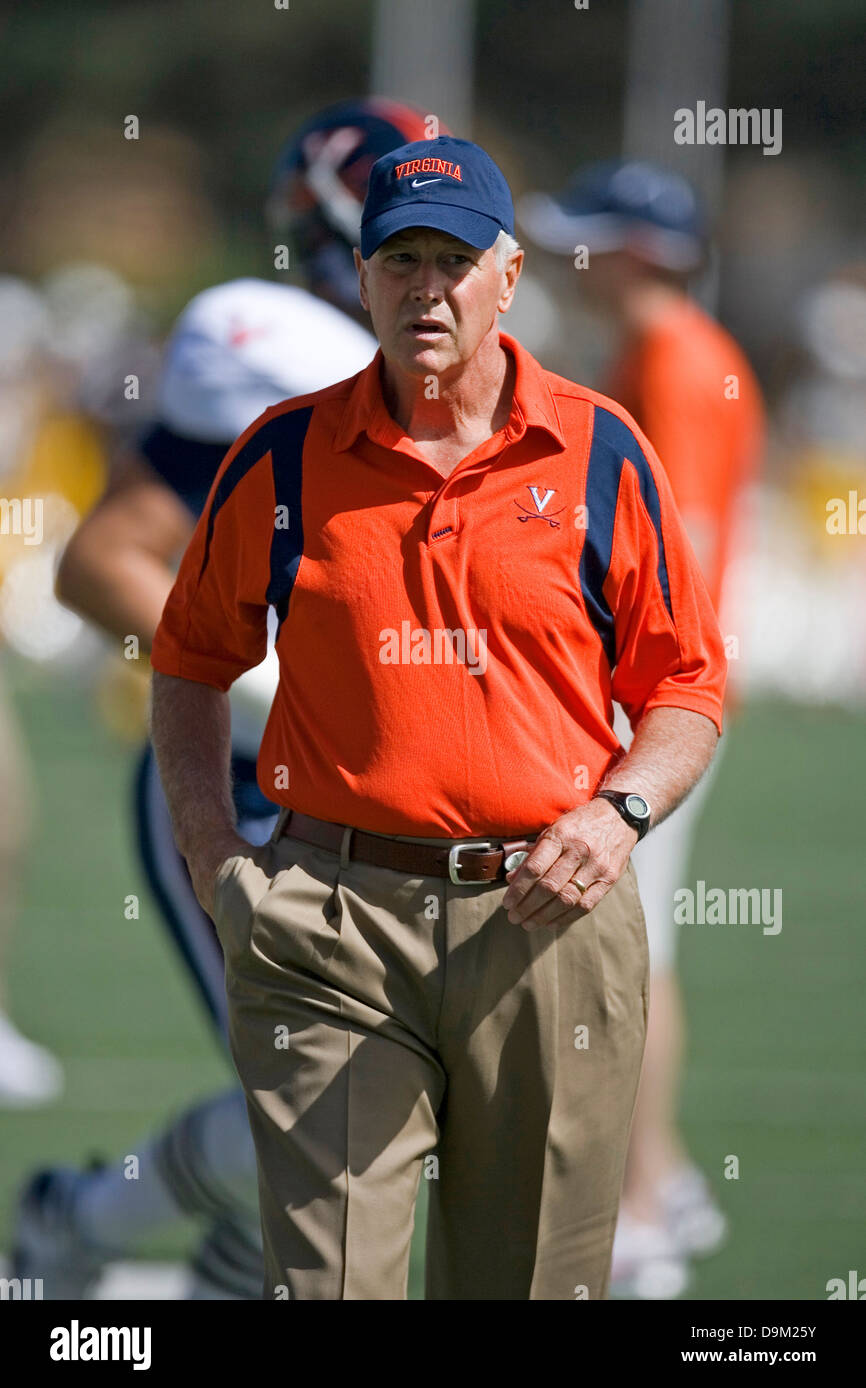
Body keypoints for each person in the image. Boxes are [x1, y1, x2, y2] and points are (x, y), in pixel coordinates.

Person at [148, 134, 727, 1301]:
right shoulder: (282, 454)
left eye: (452, 259)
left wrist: (616, 816)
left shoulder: (602, 447)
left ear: (506, 276)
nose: (425, 287)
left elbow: (685, 686)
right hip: (331, 926)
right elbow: (188, 661)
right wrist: (216, 856)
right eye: (397, 258)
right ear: (358, 278)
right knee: (327, 1288)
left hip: (550, 920)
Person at [12, 99, 431, 1299]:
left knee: (388, 1101)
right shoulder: (266, 344)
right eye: (411, 240)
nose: (434, 270)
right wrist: (263, 680)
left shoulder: (463, 371)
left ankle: (132, 1244)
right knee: (319, 1103)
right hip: (250, 781)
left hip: (405, 789)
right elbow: (99, 560)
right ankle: (85, 1229)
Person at [520, 159, 765, 1297]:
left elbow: (682, 557)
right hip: (660, 692)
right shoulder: (657, 355)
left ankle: (647, 1204)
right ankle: (652, 1193)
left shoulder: (674, 362)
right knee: (631, 943)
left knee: (631, 950)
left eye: (592, 240)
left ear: (642, 252)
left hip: (659, 700)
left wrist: (632, 713)